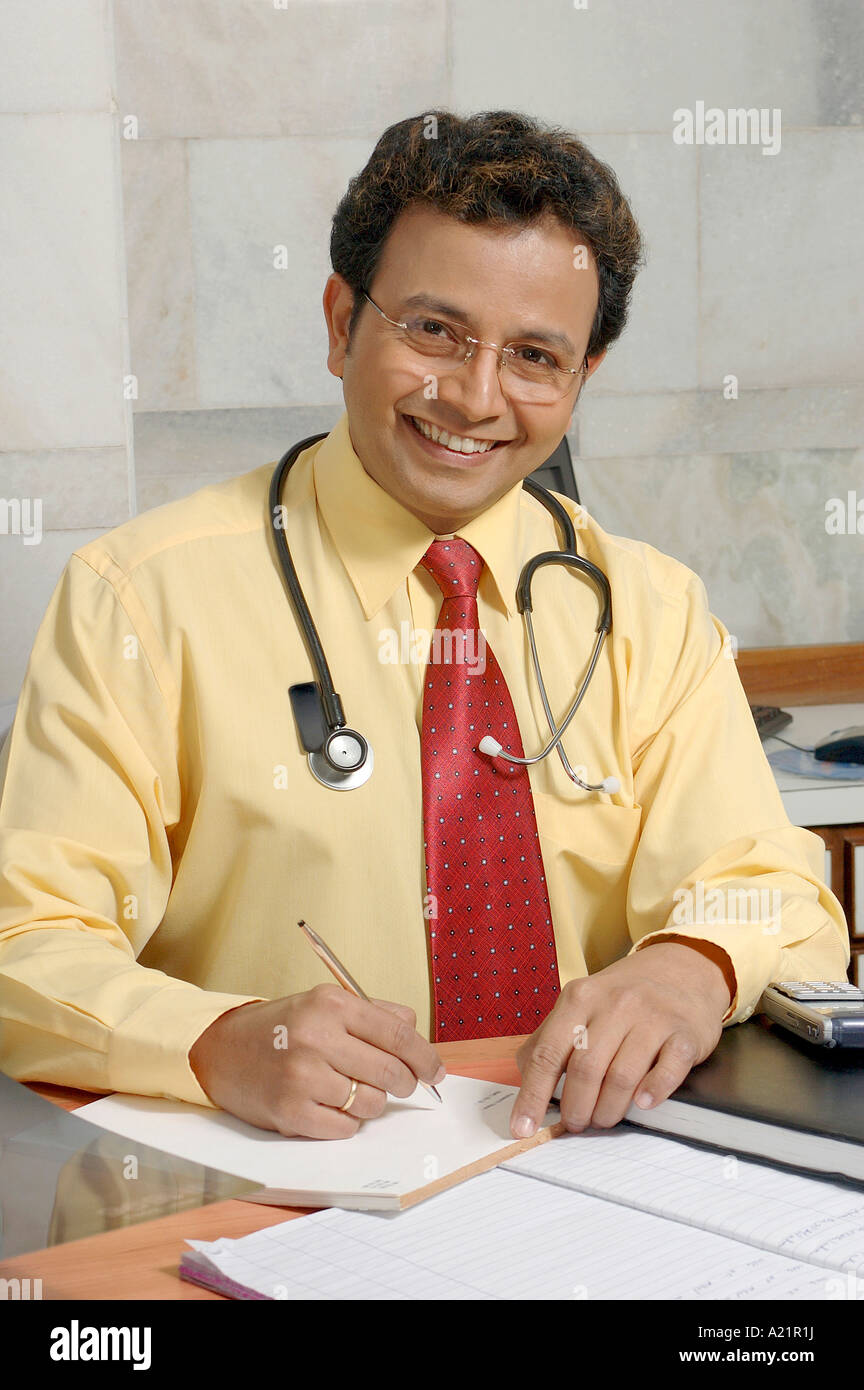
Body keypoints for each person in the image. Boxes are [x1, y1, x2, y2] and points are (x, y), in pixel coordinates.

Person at [0, 110, 848, 1145]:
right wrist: (216, 1036)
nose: (474, 396)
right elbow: (26, 944)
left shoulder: (649, 610)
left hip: (597, 1171)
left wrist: (691, 968)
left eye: (536, 355)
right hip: (285, 1194)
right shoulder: (138, 599)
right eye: (434, 331)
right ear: (339, 321)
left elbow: (774, 889)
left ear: (584, 379)